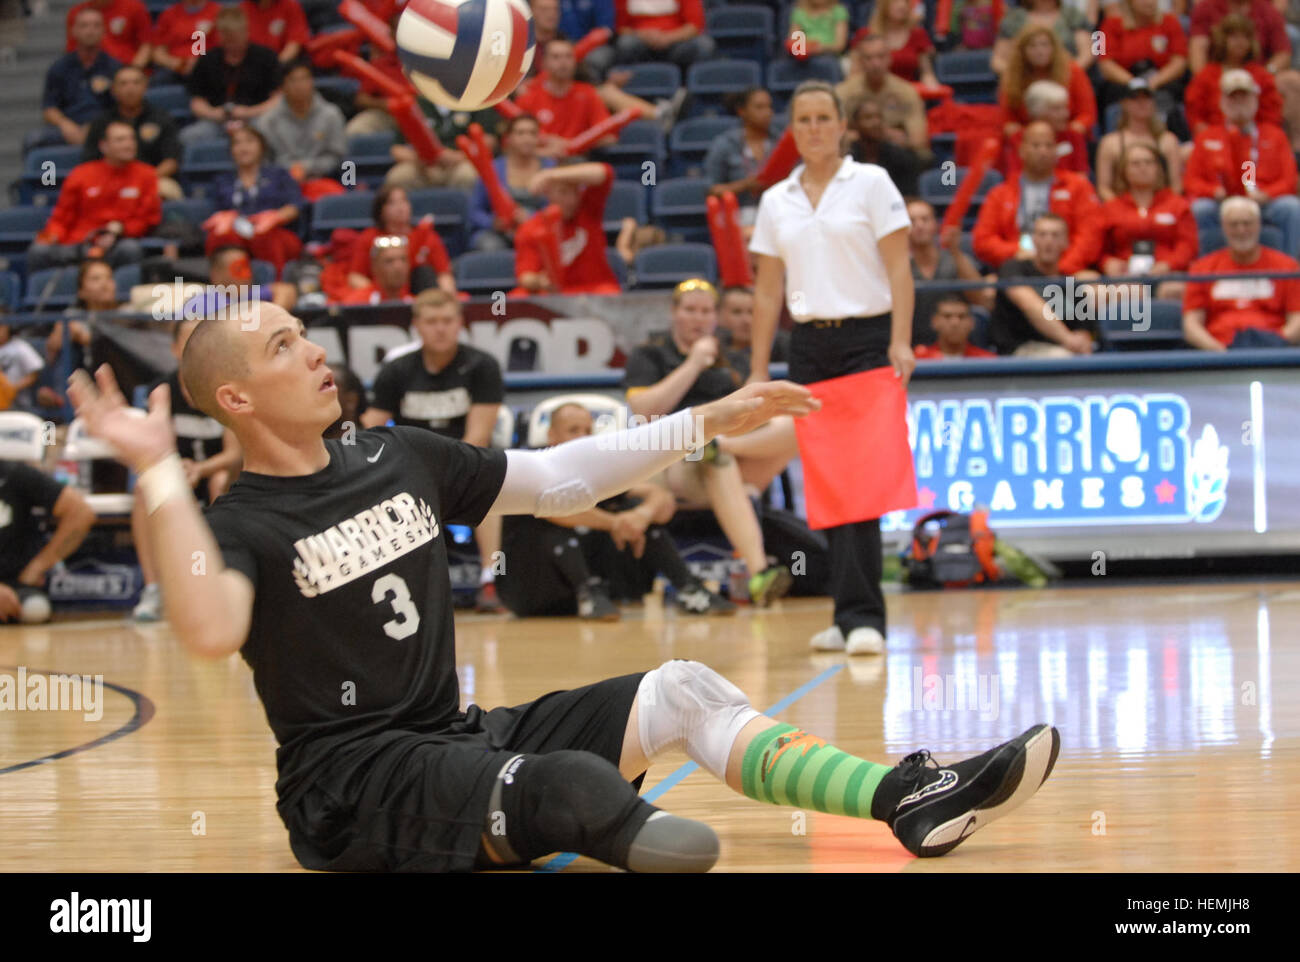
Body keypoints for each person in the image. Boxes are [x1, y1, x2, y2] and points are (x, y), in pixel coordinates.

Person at [64, 299, 1064, 872]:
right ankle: (594, 824)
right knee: (571, 794)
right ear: (234, 396)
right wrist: (156, 472)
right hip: (352, 786)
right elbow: (204, 626)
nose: (315, 349)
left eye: (303, 332)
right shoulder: (238, 523)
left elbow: (558, 479)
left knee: (682, 690)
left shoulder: (398, 451)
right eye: (283, 345)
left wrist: (706, 420)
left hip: (450, 736)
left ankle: (899, 794)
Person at [749, 79, 915, 656]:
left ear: (842, 125)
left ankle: (866, 616)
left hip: (869, 341)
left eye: (824, 118)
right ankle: (845, 618)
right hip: (810, 348)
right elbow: (768, 292)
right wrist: (756, 369)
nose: (814, 128)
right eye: (804, 119)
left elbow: (899, 270)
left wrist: (901, 341)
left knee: (863, 485)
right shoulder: (777, 200)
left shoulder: (870, 183)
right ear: (791, 129)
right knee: (830, 486)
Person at [624, 278, 798, 600]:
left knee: (799, 425)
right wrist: (693, 363)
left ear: (715, 318)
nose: (698, 318)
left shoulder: (734, 358)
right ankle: (759, 572)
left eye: (706, 311)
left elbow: (754, 412)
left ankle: (719, 446)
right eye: (690, 310)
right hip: (673, 462)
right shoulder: (649, 354)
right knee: (716, 460)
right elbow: (644, 411)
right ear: (674, 313)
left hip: (734, 451)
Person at [497, 401, 736, 619]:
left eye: (587, 431)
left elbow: (662, 500)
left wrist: (640, 516)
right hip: (528, 586)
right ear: (551, 435)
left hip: (579, 589)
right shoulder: (532, 463)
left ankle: (688, 589)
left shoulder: (596, 467)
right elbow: (556, 511)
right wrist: (616, 523)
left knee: (636, 509)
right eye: (573, 430)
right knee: (551, 526)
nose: (582, 438)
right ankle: (588, 592)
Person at [362, 289, 508, 613]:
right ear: (417, 326)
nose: (440, 328)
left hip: (466, 461)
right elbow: (370, 426)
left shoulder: (482, 366)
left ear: (459, 324)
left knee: (491, 488)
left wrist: (443, 474)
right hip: (407, 465)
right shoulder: (397, 370)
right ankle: (397, 586)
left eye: (447, 321)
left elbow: (478, 436)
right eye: (431, 322)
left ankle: (489, 581)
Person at [132, 316, 242, 622]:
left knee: (220, 481)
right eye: (187, 341)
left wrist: (201, 469)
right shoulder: (162, 392)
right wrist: (176, 469)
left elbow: (234, 454)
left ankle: (221, 583)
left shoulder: (226, 388)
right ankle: (153, 589)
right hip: (175, 473)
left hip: (217, 471)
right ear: (174, 348)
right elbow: (153, 451)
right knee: (144, 488)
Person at [1184, 69, 1300, 256]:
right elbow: (1191, 181)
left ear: (1255, 99)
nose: (1239, 103)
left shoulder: (1275, 135)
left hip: (1263, 201)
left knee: (1291, 207)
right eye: (1233, 97)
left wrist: (1266, 194)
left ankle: (1290, 271)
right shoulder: (1207, 137)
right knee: (1199, 209)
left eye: (1244, 97)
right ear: (1222, 101)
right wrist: (1213, 191)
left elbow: (1288, 180)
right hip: (1221, 201)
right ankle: (1203, 269)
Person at [28, 121, 161, 272]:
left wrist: (120, 231)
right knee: (38, 250)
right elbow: (61, 217)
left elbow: (147, 218)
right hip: (79, 244)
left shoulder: (147, 175)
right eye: (120, 140)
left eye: (132, 139)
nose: (128, 144)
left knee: (130, 249)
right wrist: (50, 236)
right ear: (104, 146)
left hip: (117, 243)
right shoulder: (81, 174)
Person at [973, 121, 1103, 274]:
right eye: (1036, 145)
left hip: (1067, 269)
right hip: (1016, 268)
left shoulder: (1078, 187)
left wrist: (1060, 268)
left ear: (1056, 151)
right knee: (990, 287)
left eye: (1049, 146)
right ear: (1022, 150)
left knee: (1093, 286)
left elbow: (1090, 237)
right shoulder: (1000, 193)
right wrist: (1018, 252)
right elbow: (983, 241)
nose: (1043, 151)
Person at [1182, 196, 1300, 349]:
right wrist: (1219, 352)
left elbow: (1297, 319)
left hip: (1272, 351)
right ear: (1223, 227)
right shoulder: (1202, 269)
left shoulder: (1286, 267)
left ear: (1258, 225)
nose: (1241, 230)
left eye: (1247, 223)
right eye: (1234, 224)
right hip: (1219, 353)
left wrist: (1274, 345)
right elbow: (1191, 325)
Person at [0, 458, 95, 624]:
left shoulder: (13, 473)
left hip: (15, 585)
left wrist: (38, 566)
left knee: (35, 610)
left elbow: (81, 513)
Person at [988, 212, 1097, 356]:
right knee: (1062, 358)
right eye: (1042, 234)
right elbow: (1029, 304)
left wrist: (1082, 344)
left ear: (1066, 242)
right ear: (1033, 240)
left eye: (1055, 235)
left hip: (1063, 349)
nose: (1048, 241)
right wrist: (1068, 339)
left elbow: (1083, 331)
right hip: (1018, 352)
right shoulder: (1013, 268)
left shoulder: (1071, 286)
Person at [1098, 142, 1197, 300]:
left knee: (1174, 290)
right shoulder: (1110, 208)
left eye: (1148, 162)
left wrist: (1168, 265)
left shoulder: (1177, 204)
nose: (1142, 167)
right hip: (1125, 277)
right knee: (1119, 293)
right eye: (1135, 163)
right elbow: (1098, 247)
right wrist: (1107, 262)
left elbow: (1188, 245)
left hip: (1169, 275)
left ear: (1158, 168)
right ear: (1124, 170)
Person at [205, 124, 303, 275]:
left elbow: (296, 205)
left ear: (261, 146)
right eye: (237, 143)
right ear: (231, 150)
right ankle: (224, 289)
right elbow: (216, 214)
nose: (243, 148)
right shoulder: (222, 180)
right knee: (219, 236)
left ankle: (275, 287)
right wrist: (226, 218)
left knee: (265, 236)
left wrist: (275, 217)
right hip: (237, 230)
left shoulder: (279, 174)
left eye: (249, 141)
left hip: (274, 231)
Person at [514, 162, 622, 295]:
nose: (571, 199)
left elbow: (605, 173)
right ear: (548, 194)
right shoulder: (531, 228)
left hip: (594, 288)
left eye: (575, 192)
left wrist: (550, 175)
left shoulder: (587, 210)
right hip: (553, 293)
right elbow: (526, 275)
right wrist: (538, 282)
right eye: (563, 192)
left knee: (610, 293)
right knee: (518, 296)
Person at [183, 6, 283, 147]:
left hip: (255, 118)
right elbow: (196, 102)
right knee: (189, 136)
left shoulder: (266, 57)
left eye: (235, 39)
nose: (232, 45)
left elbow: (278, 99)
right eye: (227, 39)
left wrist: (248, 112)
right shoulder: (207, 59)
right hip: (217, 120)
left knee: (269, 130)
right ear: (220, 36)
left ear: (246, 32)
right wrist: (214, 114)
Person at [83, 65, 183, 202]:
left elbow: (171, 161)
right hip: (109, 180)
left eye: (136, 82)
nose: (130, 88)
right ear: (113, 90)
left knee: (167, 189)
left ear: (145, 86)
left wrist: (140, 180)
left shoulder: (162, 118)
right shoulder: (101, 122)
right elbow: (90, 161)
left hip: (153, 178)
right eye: (123, 83)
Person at [253, 60, 347, 200]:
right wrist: (288, 171)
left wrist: (307, 168)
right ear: (283, 86)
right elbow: (264, 161)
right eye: (293, 80)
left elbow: (338, 157)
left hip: (322, 179)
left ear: (312, 82)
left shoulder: (331, 115)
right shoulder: (267, 121)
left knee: (336, 199)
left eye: (304, 79)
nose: (300, 85)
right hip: (280, 183)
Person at [908, 198, 994, 346]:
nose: (919, 225)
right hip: (912, 344)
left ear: (936, 224)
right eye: (912, 220)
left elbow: (981, 299)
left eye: (925, 219)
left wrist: (955, 251)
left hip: (954, 345)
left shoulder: (954, 259)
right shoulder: (899, 265)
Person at [1184, 14, 1283, 137]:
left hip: (1254, 143)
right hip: (1215, 142)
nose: (1240, 42)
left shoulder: (1262, 76)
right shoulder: (1206, 75)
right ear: (1223, 40)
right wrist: (1211, 138)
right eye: (1234, 37)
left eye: (1245, 37)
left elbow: (1272, 116)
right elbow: (1195, 115)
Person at [515, 38, 616, 157]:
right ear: (544, 63)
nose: (563, 62)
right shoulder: (528, 97)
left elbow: (609, 137)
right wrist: (545, 151)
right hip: (538, 162)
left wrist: (573, 145)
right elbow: (511, 143)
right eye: (556, 57)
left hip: (577, 160)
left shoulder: (588, 93)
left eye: (568, 56)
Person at [36, 7, 120, 151]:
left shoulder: (115, 68)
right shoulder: (59, 68)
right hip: (68, 127)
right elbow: (49, 108)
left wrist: (96, 126)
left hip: (107, 129)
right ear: (73, 31)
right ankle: (48, 174)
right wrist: (65, 125)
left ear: (104, 31)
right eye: (84, 25)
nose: (90, 30)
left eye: (96, 25)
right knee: (34, 140)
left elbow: (123, 107)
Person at [468, 114, 555, 252]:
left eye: (532, 133)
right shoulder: (493, 169)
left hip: (538, 229)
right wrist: (493, 222)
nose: (527, 138)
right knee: (490, 246)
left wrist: (531, 218)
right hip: (498, 233)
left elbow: (559, 208)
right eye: (520, 133)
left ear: (538, 138)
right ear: (509, 139)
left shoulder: (550, 168)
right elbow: (475, 211)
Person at [836, 33, 930, 158]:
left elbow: (918, 140)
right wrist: (870, 134)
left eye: (880, 57)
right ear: (859, 61)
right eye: (868, 58)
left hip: (896, 156)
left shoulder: (906, 92)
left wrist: (881, 134)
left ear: (890, 58)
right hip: (856, 154)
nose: (875, 64)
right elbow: (832, 135)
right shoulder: (843, 92)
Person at [348, 186, 455, 296]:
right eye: (392, 203)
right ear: (380, 210)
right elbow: (356, 277)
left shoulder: (426, 236)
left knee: (424, 272)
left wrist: (446, 298)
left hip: (420, 299)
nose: (400, 208)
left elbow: (444, 275)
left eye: (403, 201)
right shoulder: (369, 238)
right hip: (382, 298)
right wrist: (379, 295)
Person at [999, 24, 1097, 139]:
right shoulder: (1013, 77)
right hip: (1029, 140)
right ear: (1023, 51)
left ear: (1054, 48)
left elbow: (1087, 114)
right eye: (1032, 46)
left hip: (1069, 135)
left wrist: (1070, 133)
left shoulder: (1073, 71)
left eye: (1044, 45)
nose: (1039, 51)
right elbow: (1007, 120)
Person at [1093, 79, 1183, 201]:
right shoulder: (1110, 143)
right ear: (1124, 103)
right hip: (1122, 207)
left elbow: (1176, 186)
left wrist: (1162, 209)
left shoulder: (1168, 140)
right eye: (1135, 98)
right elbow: (1103, 188)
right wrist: (1121, 210)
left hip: (1161, 206)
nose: (1142, 103)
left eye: (1147, 98)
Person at [1096, 0, 1188, 112]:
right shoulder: (1109, 24)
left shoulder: (1170, 21)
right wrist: (1133, 83)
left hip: (1162, 83)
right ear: (1130, 2)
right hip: (1124, 85)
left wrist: (1155, 81)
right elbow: (1105, 63)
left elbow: (1179, 61)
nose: (1150, 2)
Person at [703, 88, 774, 227]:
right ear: (742, 111)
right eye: (759, 107)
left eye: (769, 107)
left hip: (777, 211)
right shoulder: (724, 144)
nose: (767, 112)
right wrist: (745, 185)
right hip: (739, 214)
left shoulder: (779, 142)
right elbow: (711, 190)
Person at [848, 98, 926, 196]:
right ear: (855, 124)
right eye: (868, 118)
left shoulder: (902, 157)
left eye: (879, 117)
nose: (876, 123)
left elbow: (910, 196)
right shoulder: (846, 158)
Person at [993, 0, 1094, 73]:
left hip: (1068, 77)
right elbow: (998, 61)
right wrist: (1020, 76)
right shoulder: (1013, 18)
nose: (1040, 50)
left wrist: (1063, 74)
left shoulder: (1072, 15)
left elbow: (1086, 55)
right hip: (1024, 82)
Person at [613, 0, 715, 68]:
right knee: (625, 43)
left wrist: (667, 38)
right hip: (640, 42)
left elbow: (694, 26)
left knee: (704, 45)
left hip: (676, 43)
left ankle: (684, 91)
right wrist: (642, 35)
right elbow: (620, 28)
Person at [864, 0, 937, 85]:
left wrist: (933, 87)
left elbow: (927, 73)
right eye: (895, 2)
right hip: (874, 92)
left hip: (908, 92)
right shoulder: (867, 35)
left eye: (905, 2)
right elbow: (855, 75)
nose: (902, 5)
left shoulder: (918, 35)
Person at [150, 0, 222, 85]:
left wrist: (201, 62)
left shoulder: (219, 12)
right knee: (156, 81)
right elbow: (158, 51)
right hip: (175, 67)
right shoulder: (169, 14)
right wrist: (174, 63)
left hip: (209, 66)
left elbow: (226, 48)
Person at [64, 0, 151, 69]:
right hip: (89, 70)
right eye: (85, 25)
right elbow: (72, 48)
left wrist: (133, 70)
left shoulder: (134, 7)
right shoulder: (77, 13)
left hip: (127, 67)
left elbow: (147, 44)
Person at [337, 237, 416, 305]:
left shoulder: (415, 304)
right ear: (375, 267)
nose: (398, 267)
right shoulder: (356, 303)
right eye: (389, 261)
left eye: (403, 260)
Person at [914, 297, 997, 359]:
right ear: (935, 321)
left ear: (972, 323)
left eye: (961, 316)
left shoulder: (987, 359)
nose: (955, 323)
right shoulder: (918, 360)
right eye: (947, 316)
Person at [240, 0, 310, 64]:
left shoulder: (290, 5)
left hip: (282, 64)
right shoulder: (243, 8)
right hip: (251, 65)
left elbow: (295, 42)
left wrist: (276, 66)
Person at [0, 321, 45, 413]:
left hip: (18, 405)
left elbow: (34, 373)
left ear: (9, 327)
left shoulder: (20, 346)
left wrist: (13, 388)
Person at [786, 0, 850, 64]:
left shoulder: (838, 12)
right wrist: (807, 48)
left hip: (829, 56)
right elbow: (793, 42)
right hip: (803, 57)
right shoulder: (799, 13)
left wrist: (820, 48)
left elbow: (840, 45)